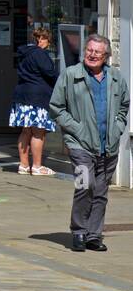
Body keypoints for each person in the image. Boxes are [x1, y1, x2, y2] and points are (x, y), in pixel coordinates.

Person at [50, 34, 130, 253]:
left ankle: (94, 235)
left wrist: (118, 127)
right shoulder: (70, 75)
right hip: (79, 144)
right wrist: (76, 128)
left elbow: (124, 105)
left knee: (101, 191)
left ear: (106, 56)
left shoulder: (115, 77)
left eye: (98, 52)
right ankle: (78, 232)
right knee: (86, 185)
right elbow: (56, 107)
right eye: (89, 50)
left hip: (108, 145)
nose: (92, 55)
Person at [11, 27, 60, 176]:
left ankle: (24, 165)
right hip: (37, 96)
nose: (45, 42)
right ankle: (37, 166)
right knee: (38, 132)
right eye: (45, 39)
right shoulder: (40, 54)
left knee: (25, 130)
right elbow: (51, 74)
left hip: (21, 94)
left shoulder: (24, 53)